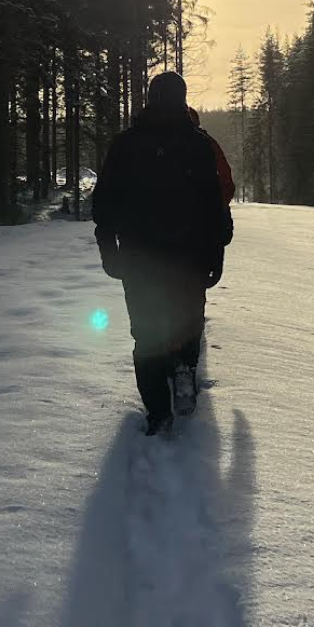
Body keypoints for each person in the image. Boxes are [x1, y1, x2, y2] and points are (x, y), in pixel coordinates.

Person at [92, 72, 229, 435]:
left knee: (147, 333)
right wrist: (216, 253)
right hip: (189, 257)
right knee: (188, 321)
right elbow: (214, 205)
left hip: (140, 259)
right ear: (183, 100)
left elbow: (104, 203)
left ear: (150, 99)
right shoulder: (198, 144)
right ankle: (183, 368)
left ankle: (157, 411)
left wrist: (108, 248)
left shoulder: (126, 144)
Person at [181, 106, 234, 368]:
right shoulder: (205, 144)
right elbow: (225, 188)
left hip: (152, 244)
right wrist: (219, 240)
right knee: (192, 303)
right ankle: (186, 363)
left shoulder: (140, 141)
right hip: (197, 242)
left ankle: (167, 363)